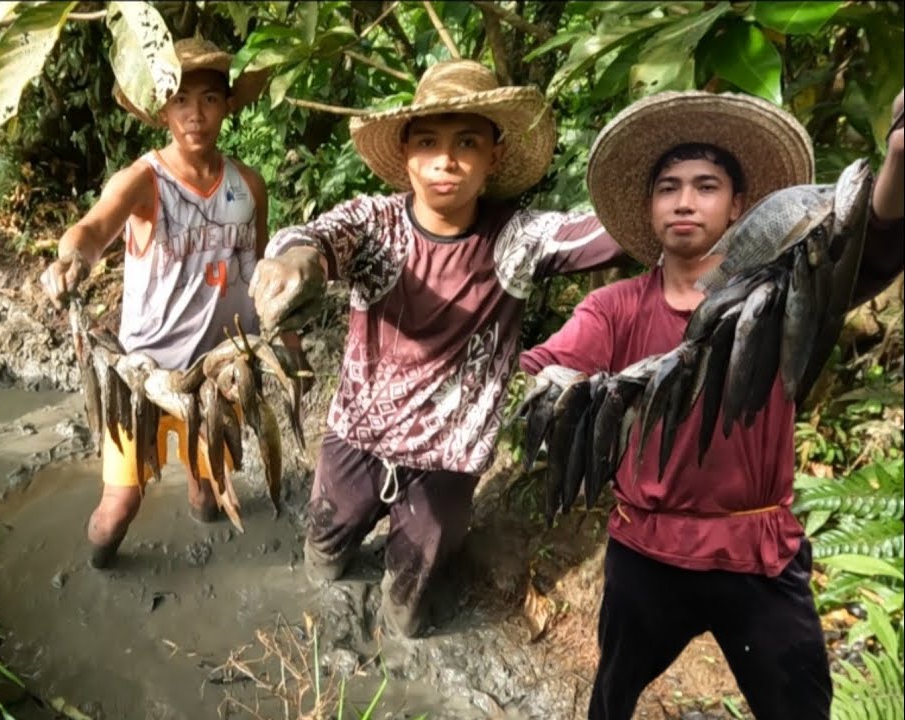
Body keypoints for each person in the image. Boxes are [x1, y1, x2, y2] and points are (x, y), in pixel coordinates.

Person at [520, 89, 905, 719]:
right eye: (668, 188)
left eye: (706, 187)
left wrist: (899, 157)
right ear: (650, 208)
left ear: (738, 206)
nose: (685, 202)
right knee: (611, 701)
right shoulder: (614, 308)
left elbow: (873, 244)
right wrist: (547, 384)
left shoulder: (788, 290)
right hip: (645, 552)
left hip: (758, 553)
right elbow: (544, 367)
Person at [247, 59, 626, 638]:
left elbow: (609, 231)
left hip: (448, 460)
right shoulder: (374, 226)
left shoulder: (515, 240)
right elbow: (316, 239)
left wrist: (683, 195)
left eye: (466, 142)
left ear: (494, 155)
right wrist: (294, 264)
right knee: (323, 560)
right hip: (358, 437)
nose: (445, 160)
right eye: (428, 142)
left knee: (406, 615)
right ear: (406, 155)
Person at [41, 38, 271, 569]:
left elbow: (259, 270)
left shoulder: (249, 187)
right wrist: (72, 259)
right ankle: (96, 565)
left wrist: (281, 342)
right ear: (163, 109)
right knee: (119, 507)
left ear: (227, 105)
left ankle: (204, 514)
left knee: (208, 495)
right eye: (180, 99)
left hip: (216, 374)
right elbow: (93, 229)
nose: (195, 115)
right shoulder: (143, 181)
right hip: (142, 377)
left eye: (209, 99)